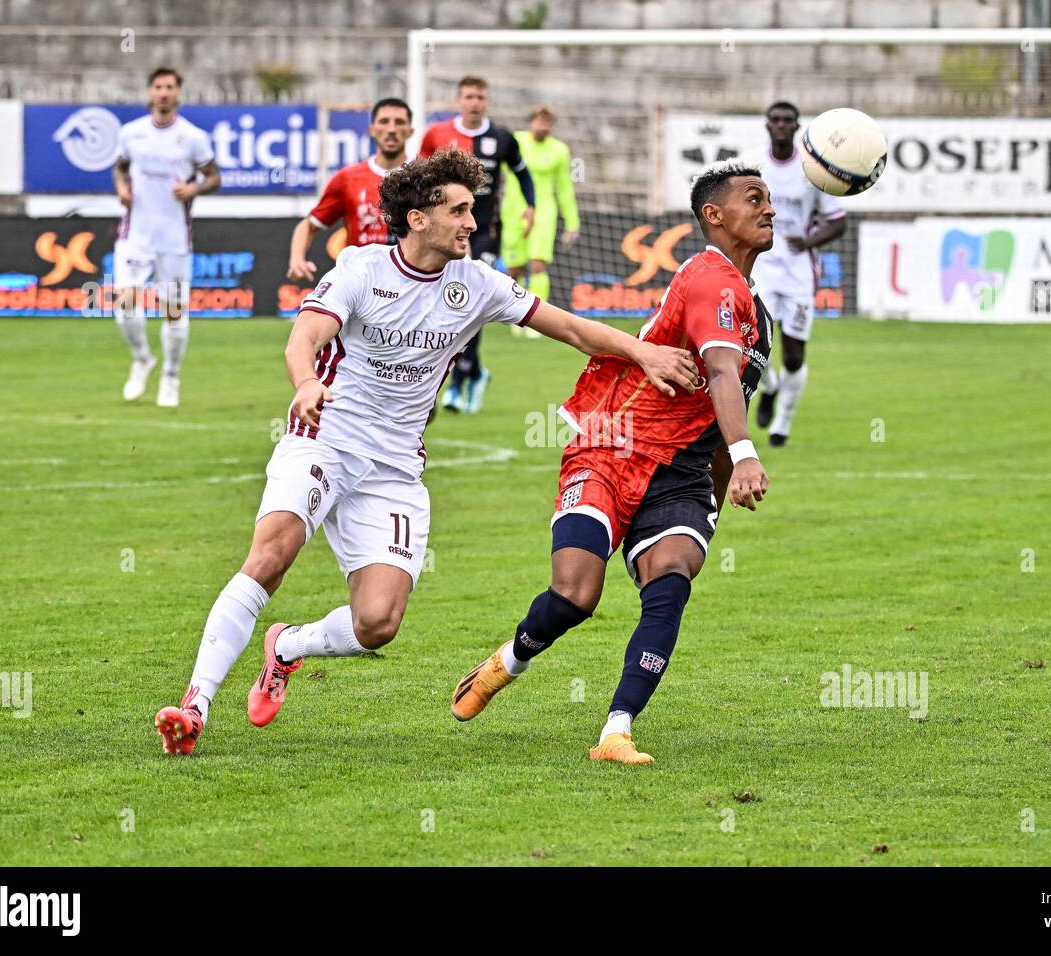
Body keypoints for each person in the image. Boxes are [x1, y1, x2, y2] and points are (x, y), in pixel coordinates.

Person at [153, 147, 698, 756]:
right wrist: (307, 382)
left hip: (393, 470)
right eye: (459, 210)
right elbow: (305, 335)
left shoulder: (478, 283)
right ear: (418, 218)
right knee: (272, 552)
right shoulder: (360, 269)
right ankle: (194, 706)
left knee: (377, 624)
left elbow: (569, 327)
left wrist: (643, 351)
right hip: (324, 440)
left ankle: (286, 646)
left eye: (473, 209)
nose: (472, 222)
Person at [449, 159, 775, 765]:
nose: (769, 208)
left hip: (679, 473)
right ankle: (506, 663)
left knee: (671, 579)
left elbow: (729, 399)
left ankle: (615, 731)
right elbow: (723, 373)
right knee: (575, 596)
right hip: (610, 444)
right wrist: (748, 454)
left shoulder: (758, 314)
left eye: (769, 199)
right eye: (753, 198)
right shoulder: (709, 278)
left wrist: (718, 495)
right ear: (714, 216)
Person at [419, 75, 535, 413]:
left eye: (480, 97)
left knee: (470, 299)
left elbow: (522, 173)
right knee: (449, 299)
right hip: (444, 230)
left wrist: (530, 206)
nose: (474, 102)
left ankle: (459, 379)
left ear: (487, 101)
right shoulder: (437, 135)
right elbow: (419, 174)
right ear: (459, 100)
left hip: (483, 230)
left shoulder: (501, 138)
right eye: (468, 96)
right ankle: (473, 371)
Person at [112, 67, 221, 408]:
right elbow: (119, 166)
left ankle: (171, 375)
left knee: (173, 311)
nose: (163, 93)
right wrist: (121, 189)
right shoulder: (131, 133)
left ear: (178, 94)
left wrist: (194, 188)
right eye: (158, 87)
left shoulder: (193, 137)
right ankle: (142, 357)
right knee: (125, 301)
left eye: (169, 87)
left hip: (174, 239)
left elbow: (214, 176)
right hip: (135, 235)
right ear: (149, 92)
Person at [750, 101, 846, 445]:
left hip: (799, 273)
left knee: (793, 356)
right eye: (774, 120)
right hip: (761, 268)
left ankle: (783, 423)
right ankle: (768, 386)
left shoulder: (813, 170)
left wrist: (808, 240)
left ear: (796, 127)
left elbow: (838, 221)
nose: (780, 125)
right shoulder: (754, 166)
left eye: (787, 121)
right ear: (767, 125)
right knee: (754, 344)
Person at [286, 97, 413, 282]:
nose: (391, 129)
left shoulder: (425, 178)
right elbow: (308, 225)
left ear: (410, 131)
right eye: (384, 122)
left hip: (410, 284)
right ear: (372, 130)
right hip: (361, 284)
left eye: (399, 122)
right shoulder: (347, 178)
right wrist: (297, 261)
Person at [500, 106, 580, 333]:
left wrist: (572, 222)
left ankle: (536, 323)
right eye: (539, 121)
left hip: (544, 212)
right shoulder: (516, 142)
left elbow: (565, 188)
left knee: (537, 264)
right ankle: (514, 317)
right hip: (514, 210)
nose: (543, 126)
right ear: (531, 122)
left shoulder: (559, 150)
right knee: (514, 268)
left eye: (548, 123)